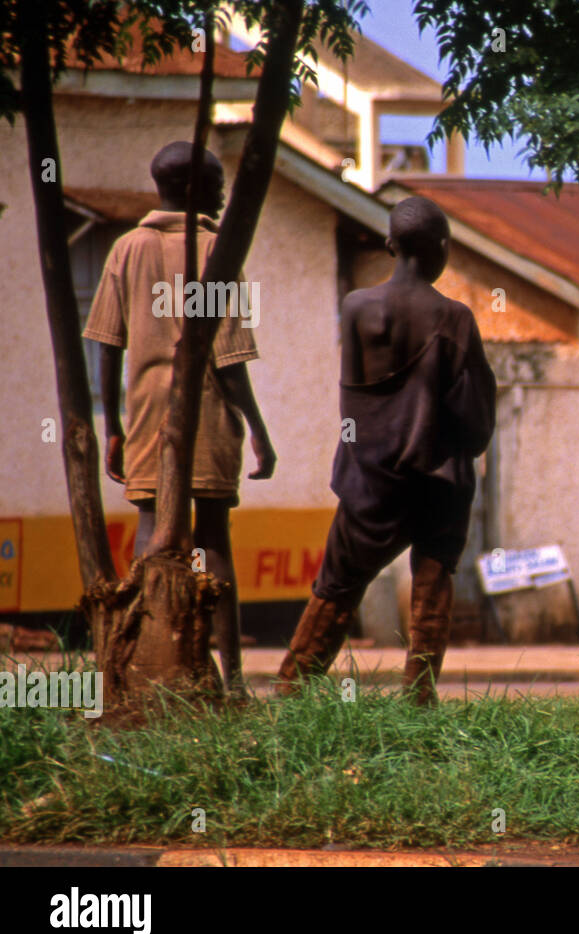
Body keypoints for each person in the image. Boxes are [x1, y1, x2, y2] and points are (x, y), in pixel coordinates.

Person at [275, 196, 496, 704]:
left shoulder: (356, 307)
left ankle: (290, 689)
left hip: (368, 477)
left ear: (391, 245)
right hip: (438, 482)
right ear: (441, 249)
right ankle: (419, 699)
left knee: (336, 585)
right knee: (433, 582)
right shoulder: (456, 318)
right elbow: (476, 416)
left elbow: (353, 398)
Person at [84, 141, 276, 697]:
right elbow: (231, 359)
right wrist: (260, 432)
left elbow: (106, 343)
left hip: (145, 414)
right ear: (193, 189)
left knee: (150, 533)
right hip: (210, 412)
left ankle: (147, 671)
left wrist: (112, 427)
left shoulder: (125, 248)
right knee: (213, 539)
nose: (222, 192)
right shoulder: (220, 250)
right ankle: (233, 678)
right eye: (215, 183)